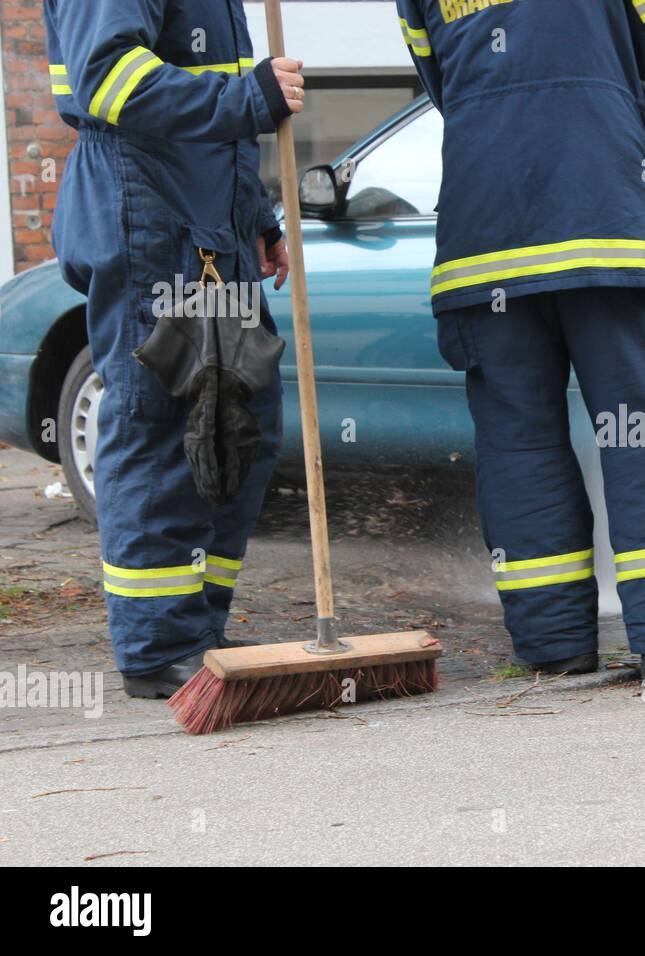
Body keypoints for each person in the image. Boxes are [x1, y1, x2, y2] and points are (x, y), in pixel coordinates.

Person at [394, 0, 645, 681]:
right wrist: (621, 151)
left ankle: (553, 643)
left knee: (517, 443)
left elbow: (443, 83)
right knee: (642, 430)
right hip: (604, 221)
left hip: (485, 238)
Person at [44, 0, 305, 698]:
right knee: (160, 417)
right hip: (150, 213)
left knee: (243, 417)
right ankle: (159, 647)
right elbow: (110, 78)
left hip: (209, 223)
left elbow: (215, 126)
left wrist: (256, 215)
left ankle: (198, 626)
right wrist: (250, 95)